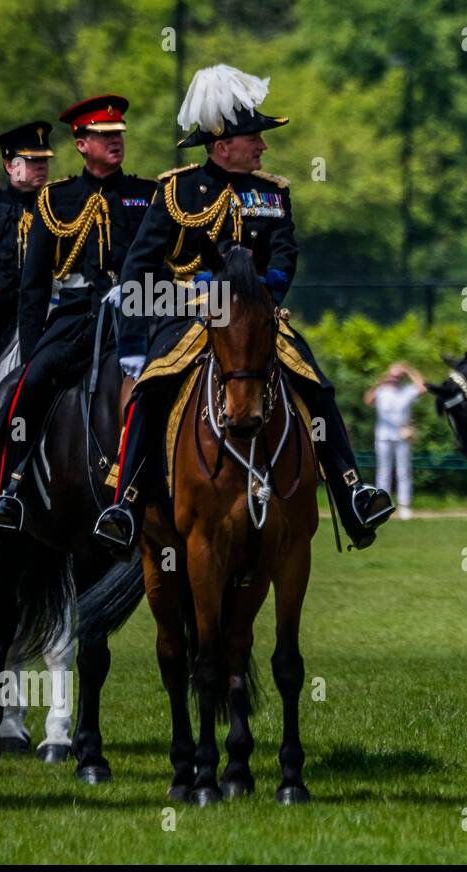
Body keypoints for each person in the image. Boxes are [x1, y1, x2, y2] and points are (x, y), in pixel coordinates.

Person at [92, 64, 393, 554]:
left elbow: (285, 256)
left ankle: (352, 490)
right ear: (221, 143)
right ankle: (125, 503)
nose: (263, 146)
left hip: (257, 317)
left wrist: (258, 290)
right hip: (187, 316)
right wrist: (137, 337)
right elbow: (137, 270)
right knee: (149, 390)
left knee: (317, 385)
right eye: (254, 137)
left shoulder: (273, 193)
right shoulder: (175, 191)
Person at [0, 96, 156, 530]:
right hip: (77, 321)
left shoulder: (147, 195)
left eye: (118, 134)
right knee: (27, 385)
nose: (115, 141)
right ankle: (11, 487)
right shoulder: (56, 200)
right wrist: (29, 348)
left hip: (139, 318)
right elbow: (35, 286)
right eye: (103, 135)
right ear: (81, 143)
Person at [0, 121, 53, 396]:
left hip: (47, 312)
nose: (40, 166)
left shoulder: (60, 209)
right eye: (30, 160)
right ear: (9, 165)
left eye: (43, 160)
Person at [365, 362, 425, 519]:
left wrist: (408, 369)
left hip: (402, 436)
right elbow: (368, 400)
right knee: (383, 471)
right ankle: (381, 505)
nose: (395, 379)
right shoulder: (381, 390)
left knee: (403, 471)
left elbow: (422, 387)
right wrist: (382, 380)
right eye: (393, 376)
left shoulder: (407, 390)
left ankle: (404, 505)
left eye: (398, 376)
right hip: (383, 436)